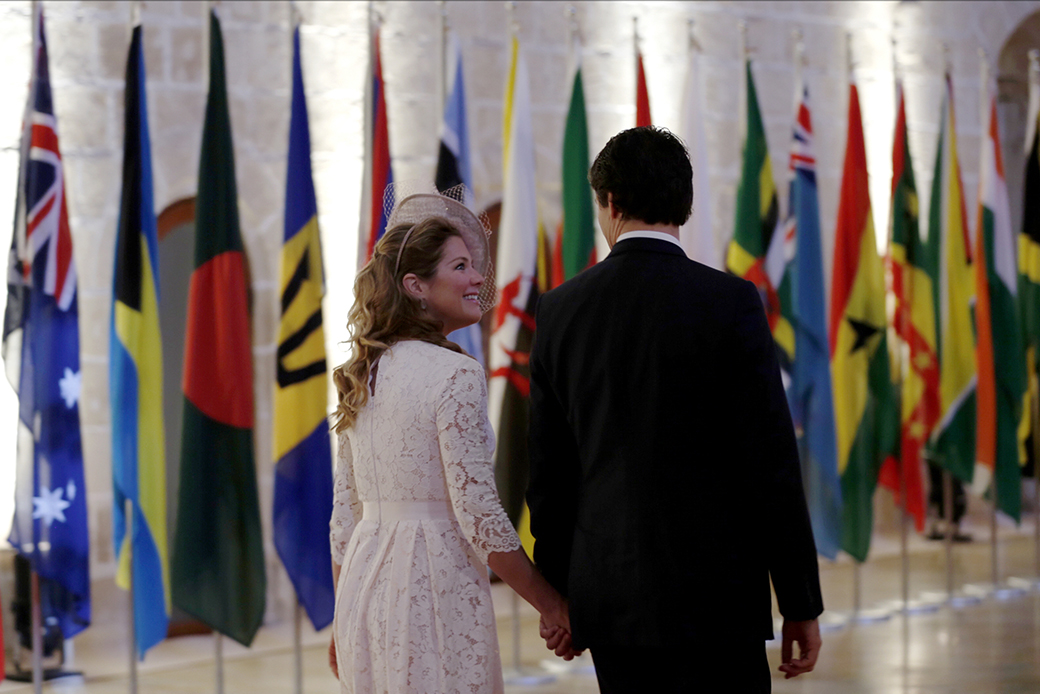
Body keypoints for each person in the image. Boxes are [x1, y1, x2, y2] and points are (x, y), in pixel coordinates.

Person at [527, 126, 824, 693]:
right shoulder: (732, 303)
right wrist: (800, 601)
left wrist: (561, 598)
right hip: (720, 597)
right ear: (683, 206)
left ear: (609, 204)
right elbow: (771, 466)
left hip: (613, 598)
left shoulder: (560, 311)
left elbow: (551, 477)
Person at [327, 190, 571, 693]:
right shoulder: (456, 373)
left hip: (362, 591)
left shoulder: (362, 373)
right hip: (434, 587)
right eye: (461, 266)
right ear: (416, 285)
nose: (479, 278)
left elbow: (344, 519)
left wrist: (342, 615)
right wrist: (553, 604)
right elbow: (478, 514)